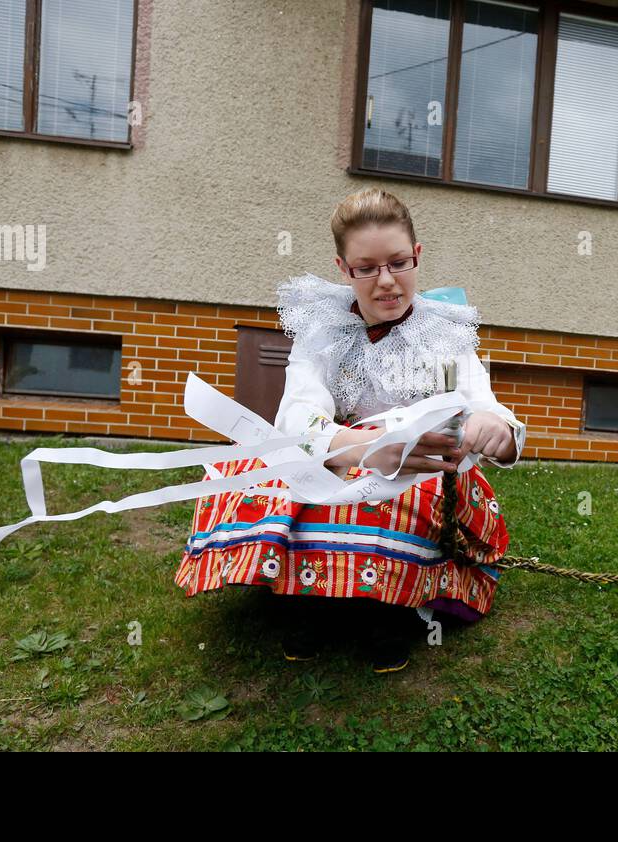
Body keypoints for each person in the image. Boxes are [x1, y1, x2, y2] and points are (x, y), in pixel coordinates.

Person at [175, 188, 527, 674]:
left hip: (419, 465)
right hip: (337, 451)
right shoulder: (321, 330)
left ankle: (383, 611)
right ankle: (309, 602)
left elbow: (486, 408)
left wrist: (495, 429)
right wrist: (359, 449)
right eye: (366, 268)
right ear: (344, 269)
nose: (386, 282)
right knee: (278, 475)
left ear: (417, 256)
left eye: (399, 263)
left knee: (401, 496)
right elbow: (296, 416)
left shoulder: (444, 333)